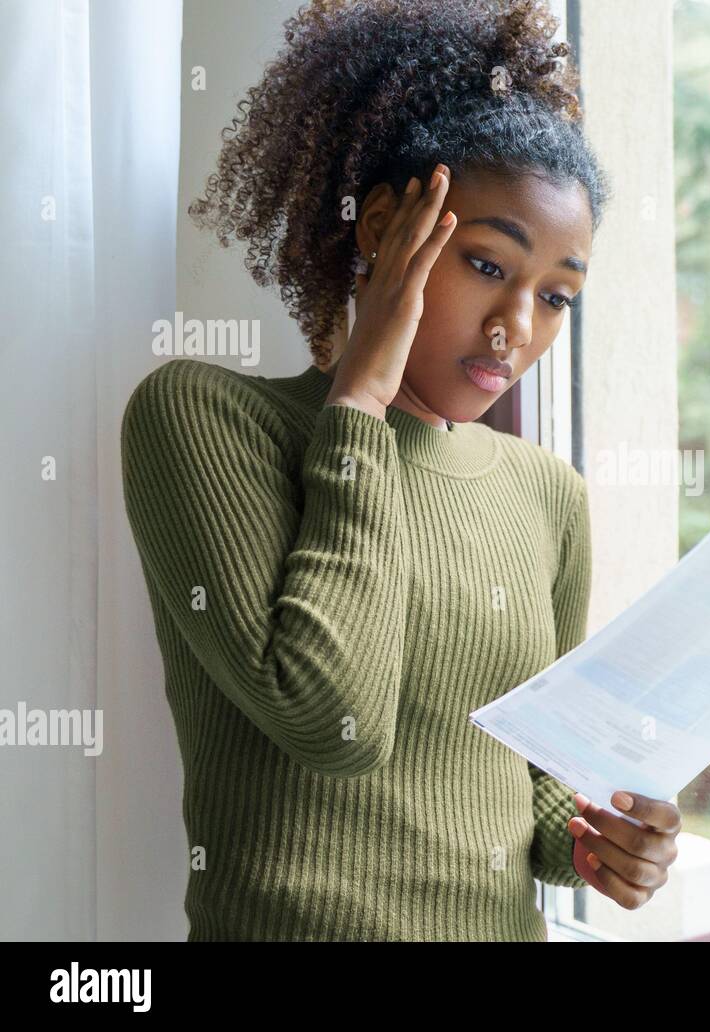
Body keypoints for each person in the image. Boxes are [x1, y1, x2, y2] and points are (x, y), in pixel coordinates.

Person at [120, 0, 680, 942]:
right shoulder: (205, 419)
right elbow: (331, 721)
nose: (516, 329)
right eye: (487, 265)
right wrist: (359, 406)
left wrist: (606, 839)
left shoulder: (546, 495)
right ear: (383, 228)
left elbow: (534, 792)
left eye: (556, 297)